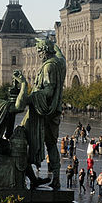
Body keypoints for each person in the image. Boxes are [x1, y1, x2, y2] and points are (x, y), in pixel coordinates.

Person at [21, 39, 66, 189]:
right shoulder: (59, 62)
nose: (39, 55)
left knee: (21, 136)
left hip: (42, 112)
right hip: (53, 112)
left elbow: (48, 90)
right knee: (52, 145)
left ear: (45, 51)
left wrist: (30, 97)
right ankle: (54, 180)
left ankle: (26, 176)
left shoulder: (49, 67)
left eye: (40, 52)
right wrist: (52, 42)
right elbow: (61, 55)